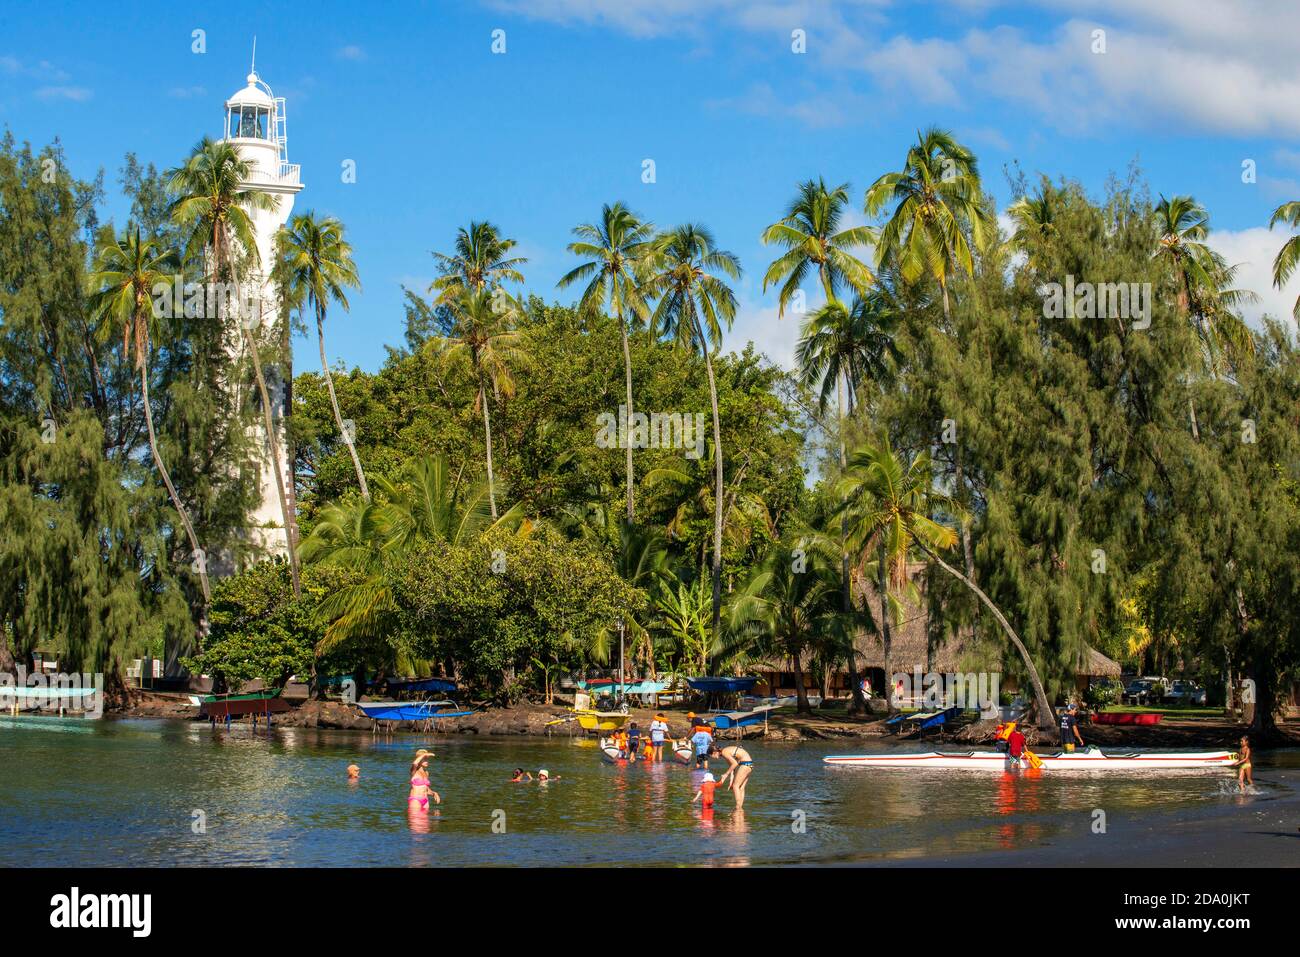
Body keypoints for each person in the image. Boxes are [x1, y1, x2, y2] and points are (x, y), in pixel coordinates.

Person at [714, 743, 754, 808]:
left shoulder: (724, 752)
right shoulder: (726, 751)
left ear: (714, 752)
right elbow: (732, 768)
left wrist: (725, 774)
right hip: (750, 764)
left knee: (736, 786)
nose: (714, 758)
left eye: (711, 756)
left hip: (745, 764)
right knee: (741, 787)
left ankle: (738, 807)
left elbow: (734, 764)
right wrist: (731, 781)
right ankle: (740, 807)